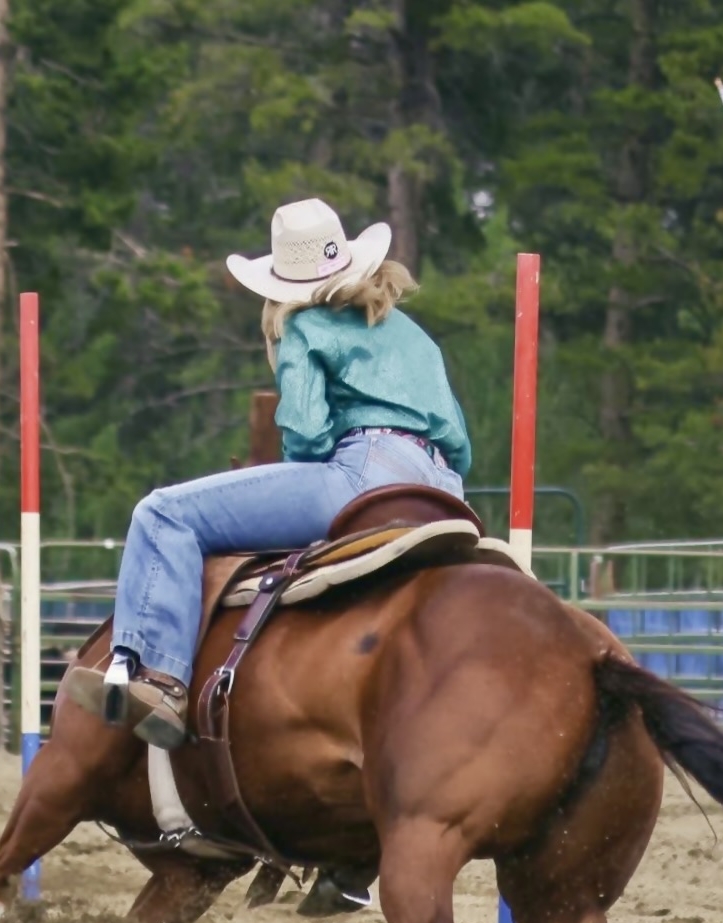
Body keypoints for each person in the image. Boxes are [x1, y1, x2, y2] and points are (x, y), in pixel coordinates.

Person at [62, 197, 473, 749]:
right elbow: (461, 444)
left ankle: (159, 680)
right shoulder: (413, 333)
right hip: (445, 491)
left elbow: (306, 435)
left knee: (164, 513)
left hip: (365, 474)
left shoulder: (303, 326)